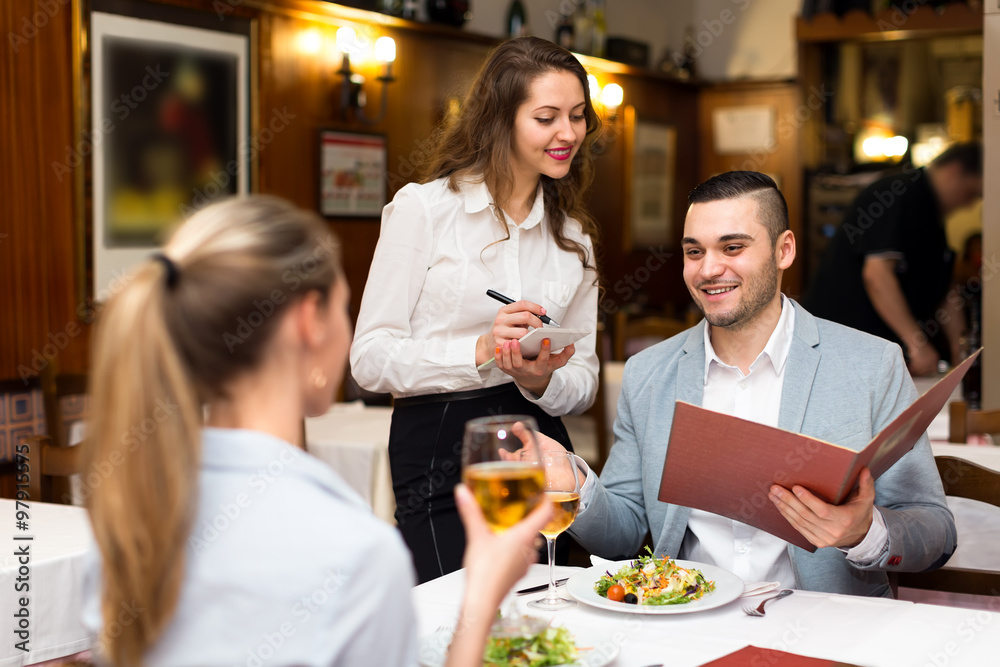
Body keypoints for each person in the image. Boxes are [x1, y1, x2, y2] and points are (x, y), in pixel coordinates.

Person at [80, 196, 552, 666]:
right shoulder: (355, 552)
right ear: (310, 321)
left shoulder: (128, 524)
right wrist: (483, 588)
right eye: (345, 308)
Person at [551, 171, 956, 597]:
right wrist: (575, 485)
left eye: (732, 247)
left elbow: (936, 532)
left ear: (784, 250)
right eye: (694, 251)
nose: (709, 269)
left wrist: (865, 532)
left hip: (823, 633)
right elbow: (624, 534)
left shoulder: (872, 364)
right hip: (689, 627)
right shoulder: (648, 372)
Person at [350, 36, 601, 583]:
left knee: (544, 612)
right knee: (453, 615)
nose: (569, 133)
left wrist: (540, 382)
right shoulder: (424, 211)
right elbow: (369, 359)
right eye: (547, 117)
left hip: (538, 438)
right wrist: (482, 351)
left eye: (578, 116)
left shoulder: (573, 239)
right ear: (500, 120)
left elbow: (584, 380)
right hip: (437, 439)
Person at [803, 143, 983, 376]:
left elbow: (944, 291)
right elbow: (877, 274)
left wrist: (963, 356)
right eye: (971, 194)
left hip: (876, 357)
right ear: (955, 171)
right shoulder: (898, 192)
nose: (968, 205)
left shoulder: (933, 217)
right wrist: (917, 344)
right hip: (840, 348)